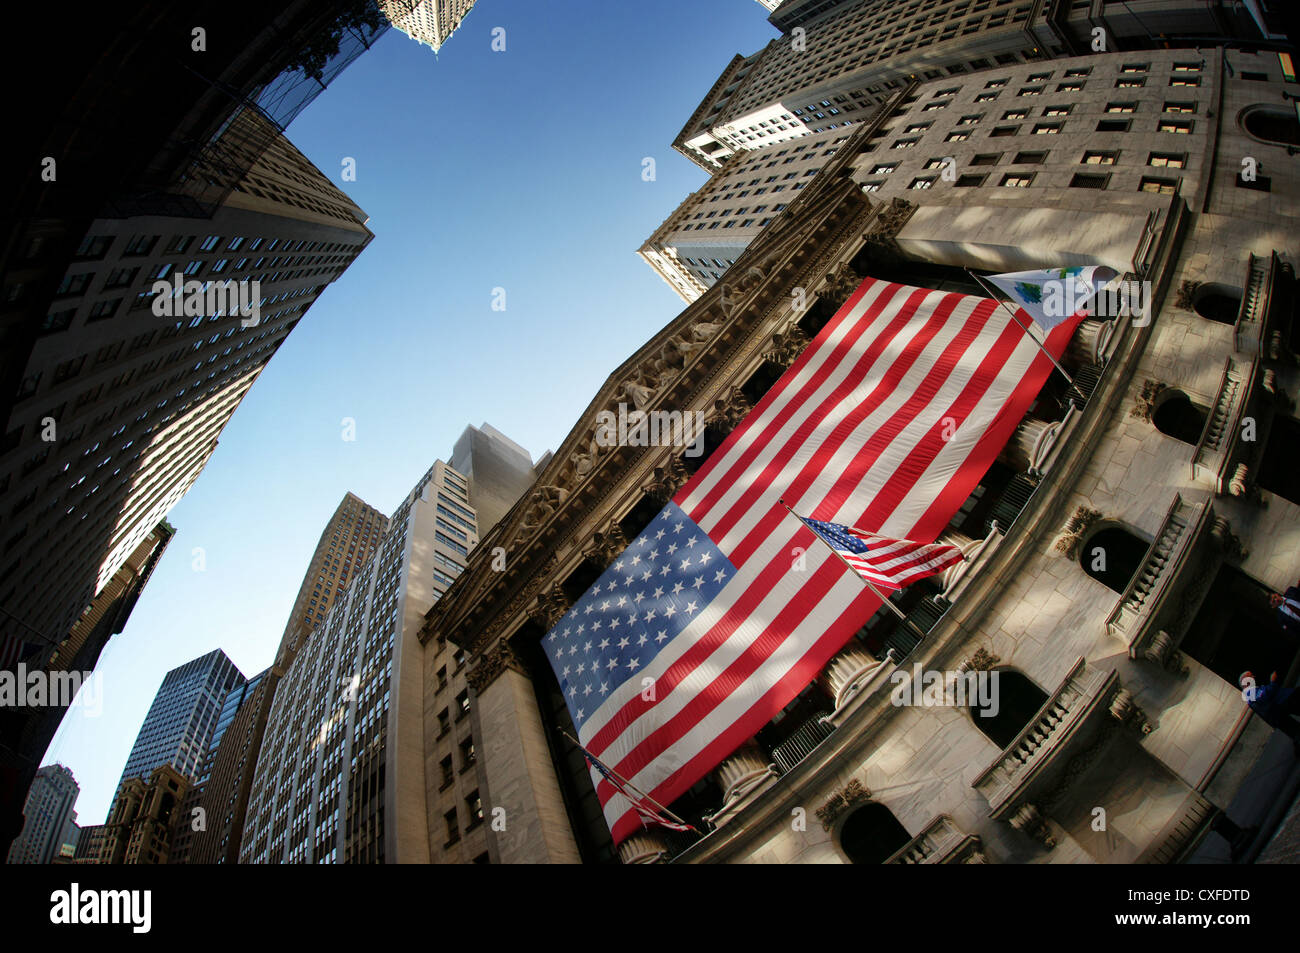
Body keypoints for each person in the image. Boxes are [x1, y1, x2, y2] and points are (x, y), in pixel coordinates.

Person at [1240, 670, 1300, 753]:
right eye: (1250, 676)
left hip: (1278, 712)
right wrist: (1272, 681)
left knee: (1295, 730)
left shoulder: (1251, 693)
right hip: (1284, 702)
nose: (1253, 677)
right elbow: (1265, 695)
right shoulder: (1250, 693)